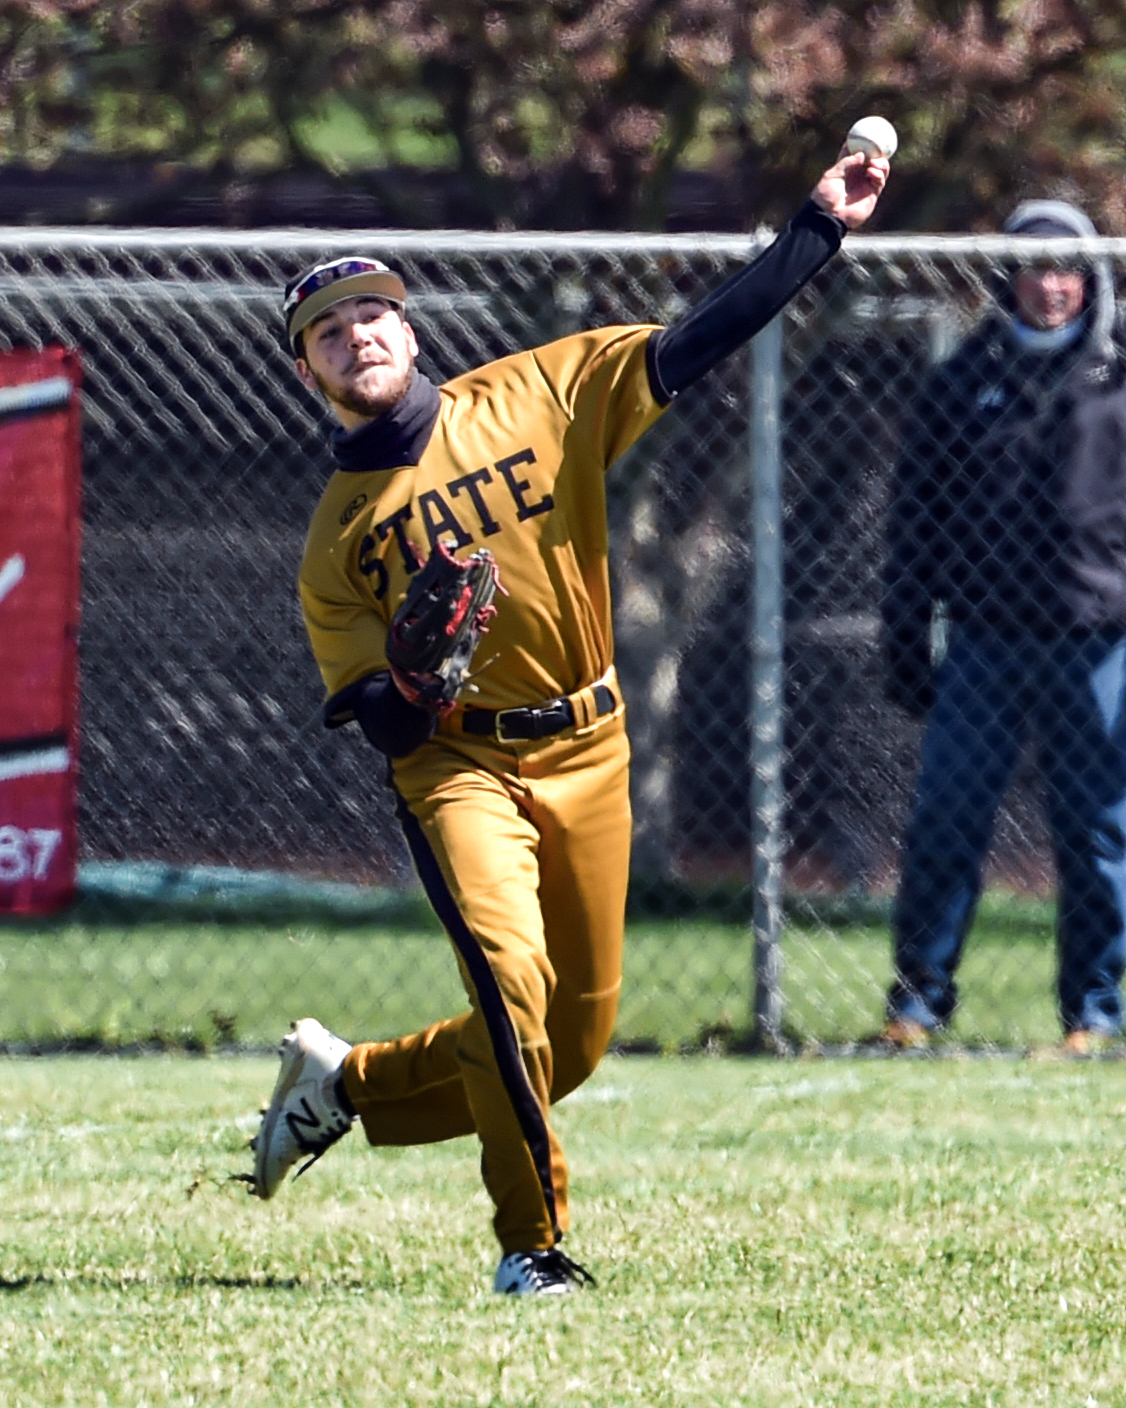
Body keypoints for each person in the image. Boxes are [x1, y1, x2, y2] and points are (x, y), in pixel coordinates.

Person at [243, 144, 888, 1294]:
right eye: (330, 332)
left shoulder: (537, 394)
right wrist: (415, 677)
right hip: (458, 768)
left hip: (590, 742)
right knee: (511, 989)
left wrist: (815, 231)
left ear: (410, 329)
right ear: (308, 372)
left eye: (374, 316)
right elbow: (384, 726)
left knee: (567, 1045)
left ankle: (342, 1085)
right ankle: (529, 1248)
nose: (359, 338)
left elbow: (695, 343)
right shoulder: (336, 544)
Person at [881, 197, 1126, 1054]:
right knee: (947, 822)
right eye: (1033, 268)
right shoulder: (958, 382)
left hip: (1098, 644)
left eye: (1067, 270)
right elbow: (915, 520)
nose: (1051, 286)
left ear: (1090, 280)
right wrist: (906, 637)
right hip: (982, 643)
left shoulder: (1119, 376)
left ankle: (1092, 1015)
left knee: (1098, 834)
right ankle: (917, 1006)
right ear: (1006, 278)